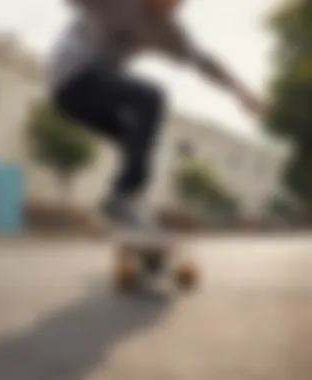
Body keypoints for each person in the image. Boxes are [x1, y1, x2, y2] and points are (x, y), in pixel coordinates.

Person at [46, 0, 262, 231]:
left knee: (137, 137)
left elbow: (204, 62)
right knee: (151, 98)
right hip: (73, 75)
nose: (173, 7)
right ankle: (123, 197)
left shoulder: (168, 31)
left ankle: (127, 204)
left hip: (83, 101)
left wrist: (240, 91)